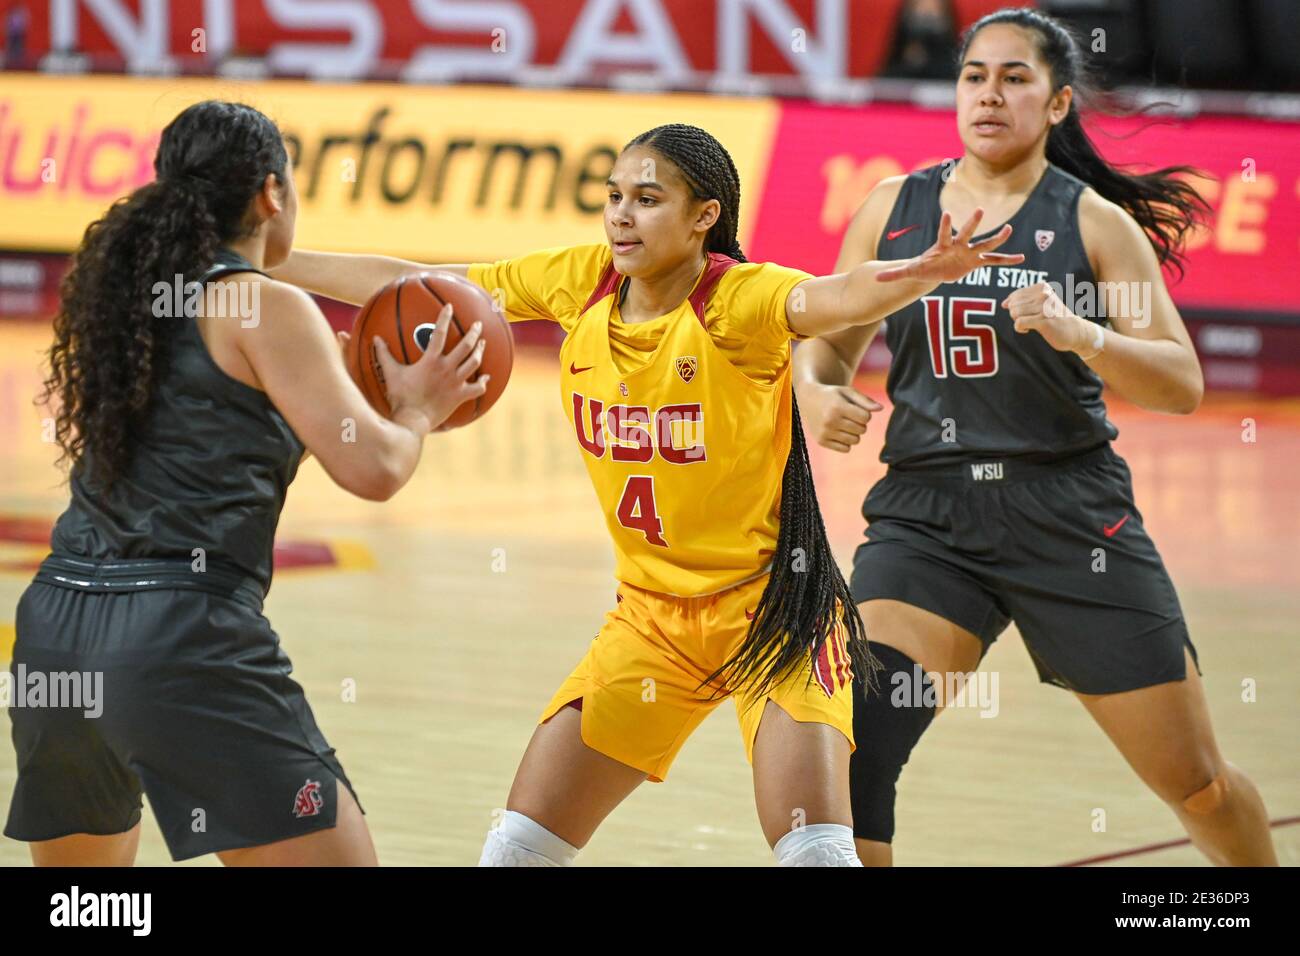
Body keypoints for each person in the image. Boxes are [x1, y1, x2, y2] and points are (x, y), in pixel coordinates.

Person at [274, 122, 1022, 867]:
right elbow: (419, 288)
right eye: (614, 197)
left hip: (774, 617)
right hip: (652, 622)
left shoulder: (738, 301)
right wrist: (275, 260)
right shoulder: (583, 280)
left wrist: (920, 271)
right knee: (513, 853)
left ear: (705, 217)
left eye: (648, 199)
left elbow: (836, 298)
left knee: (818, 855)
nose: (622, 216)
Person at [794, 8, 1278, 866]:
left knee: (1195, 783)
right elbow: (824, 343)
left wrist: (1084, 333)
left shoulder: (1094, 225)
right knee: (857, 745)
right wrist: (815, 391)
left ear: (1057, 104)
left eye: (1014, 78)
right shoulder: (892, 208)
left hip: (1071, 519)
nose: (989, 94)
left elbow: (1180, 381)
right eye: (975, 76)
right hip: (928, 521)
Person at [4, 100, 488, 866]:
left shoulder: (121, 292)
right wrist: (419, 409)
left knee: (89, 919)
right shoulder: (268, 307)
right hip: (177, 639)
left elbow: (204, 451)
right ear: (272, 192)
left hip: (54, 635)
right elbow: (378, 469)